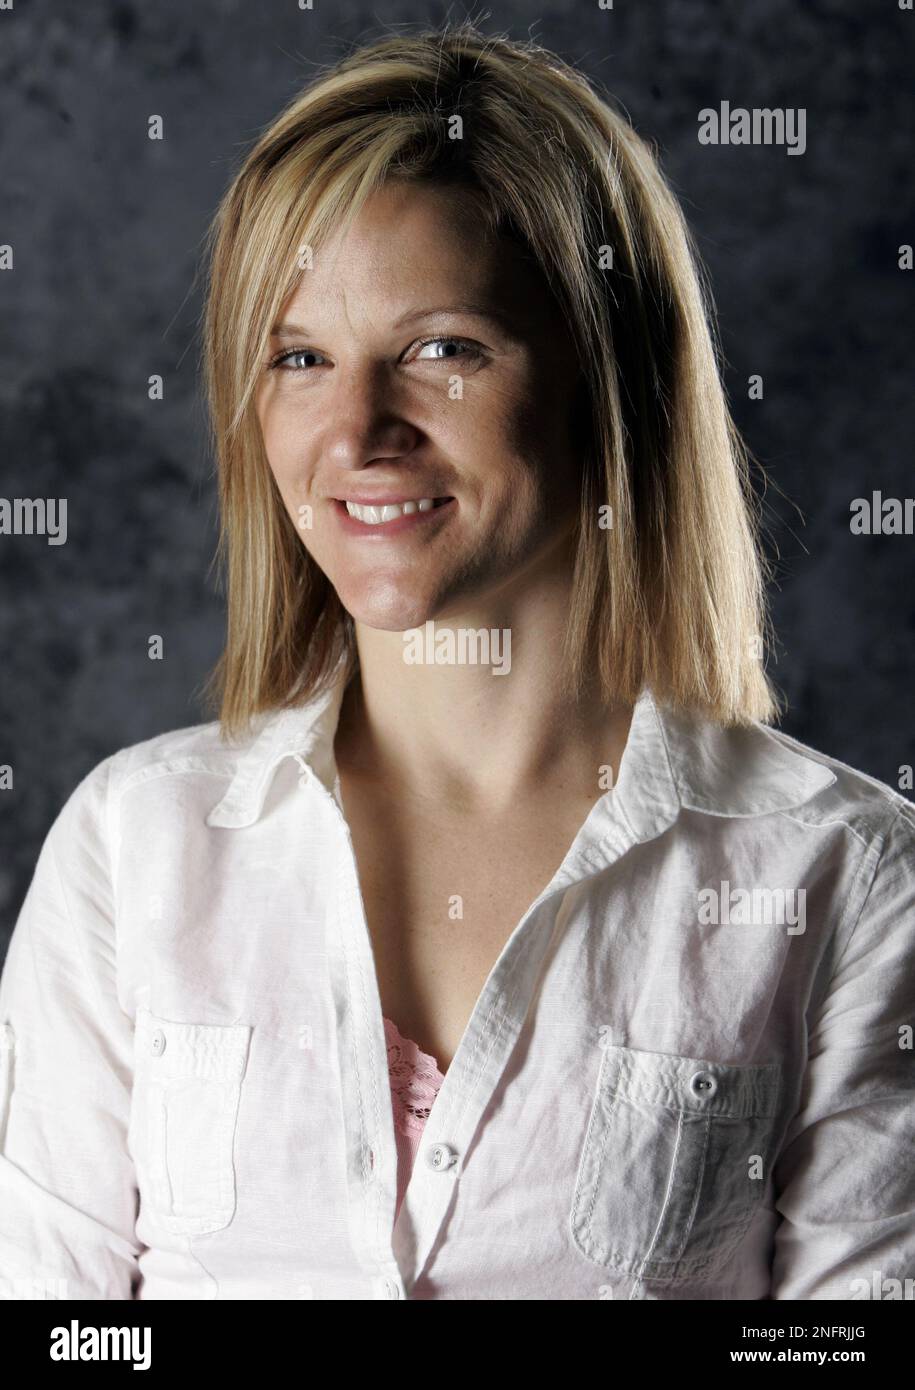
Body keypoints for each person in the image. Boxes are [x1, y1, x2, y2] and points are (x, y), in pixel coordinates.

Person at [0, 23, 912, 1302]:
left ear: (612, 379)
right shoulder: (130, 848)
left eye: (444, 349)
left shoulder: (846, 874)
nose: (358, 431)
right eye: (300, 358)